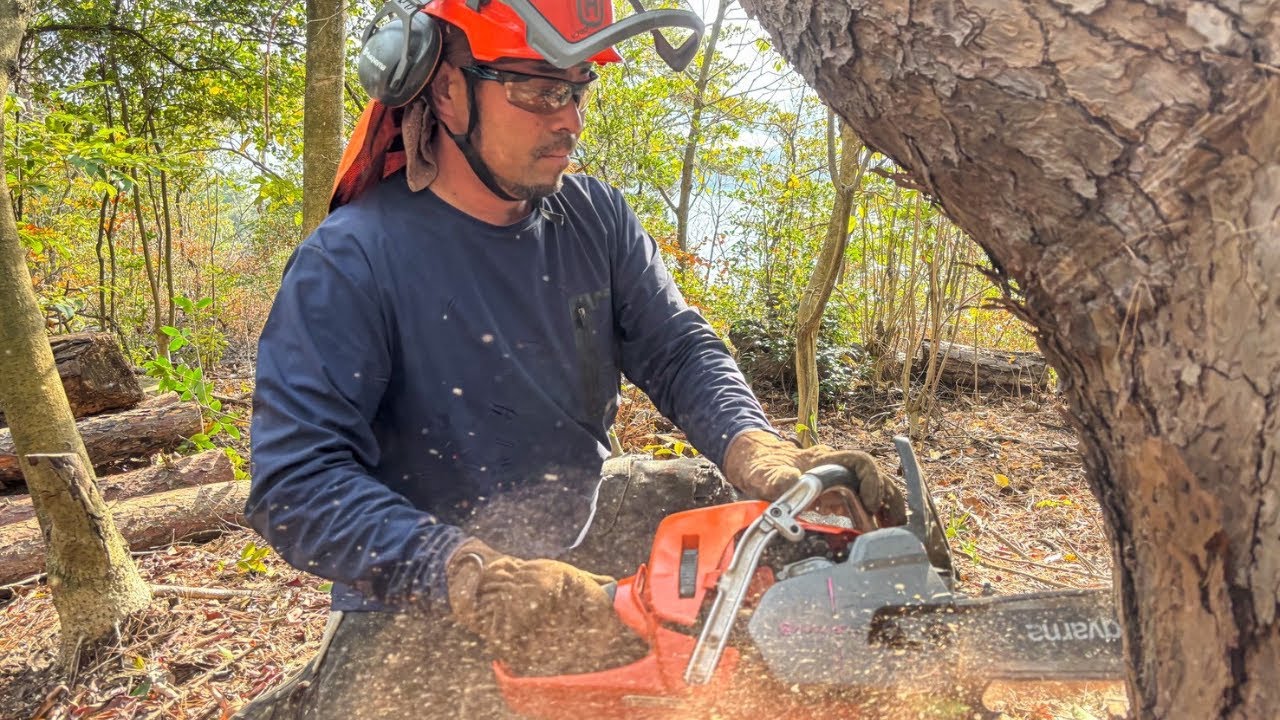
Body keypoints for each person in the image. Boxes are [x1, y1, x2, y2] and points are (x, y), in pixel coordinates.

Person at [236, 1, 906, 718]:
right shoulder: (351, 261)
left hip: (584, 523)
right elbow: (295, 482)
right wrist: (468, 574)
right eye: (540, 89)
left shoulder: (595, 219)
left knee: (796, 559)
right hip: (420, 584)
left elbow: (679, 348)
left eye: (578, 88)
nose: (570, 119)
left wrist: (759, 453)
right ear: (445, 88)